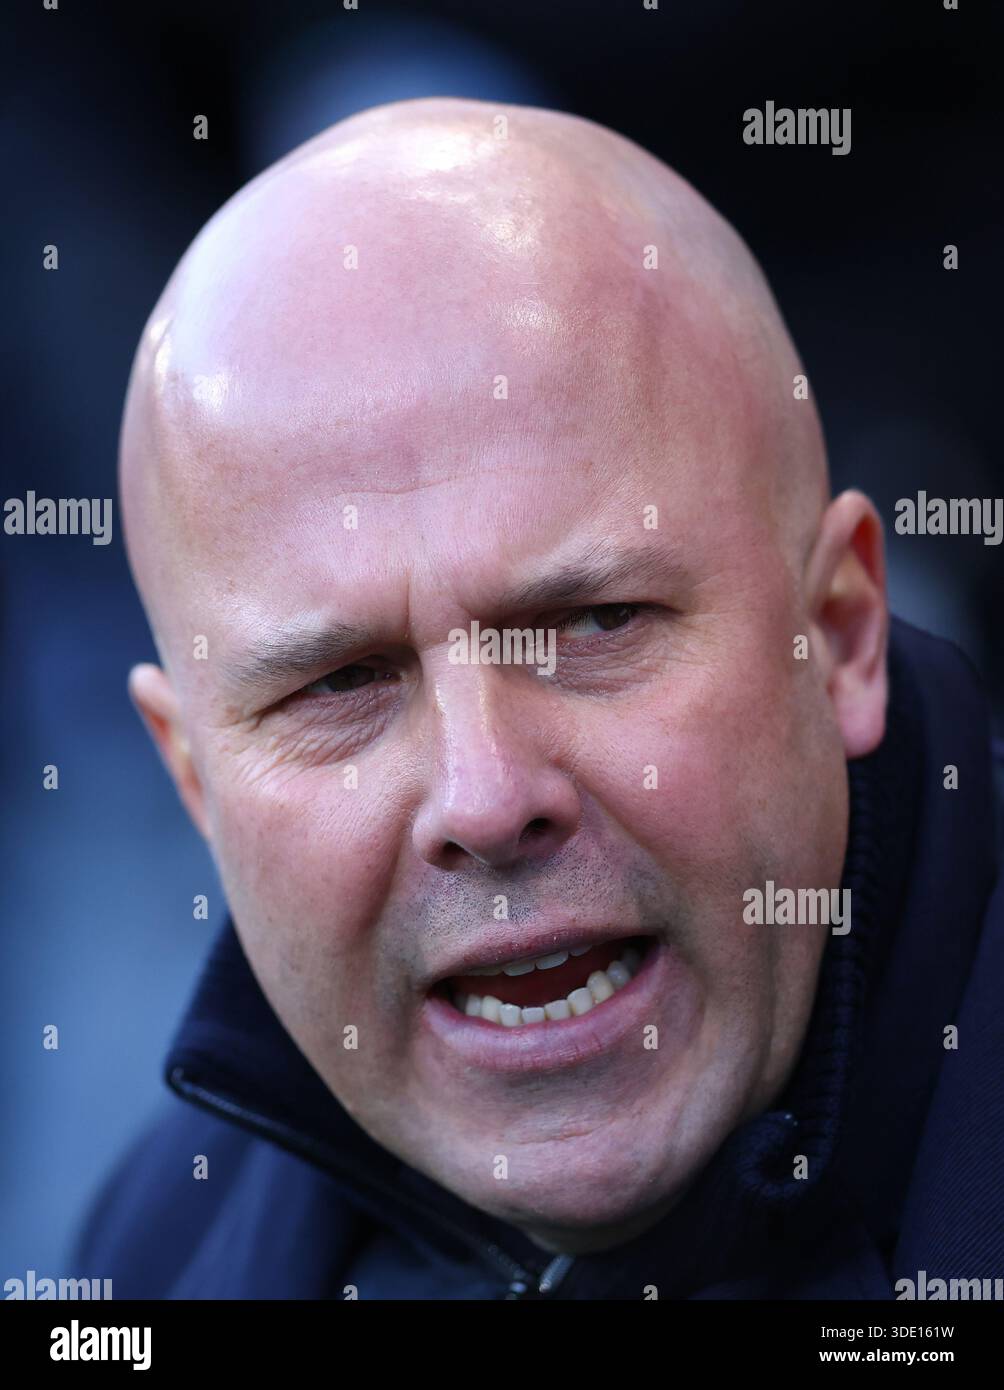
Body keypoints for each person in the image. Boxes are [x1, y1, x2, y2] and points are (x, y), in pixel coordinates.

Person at [75, 97, 1003, 1299]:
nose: (486, 793)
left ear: (838, 637)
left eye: (591, 624)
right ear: (195, 780)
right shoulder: (162, 1250)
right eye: (340, 683)